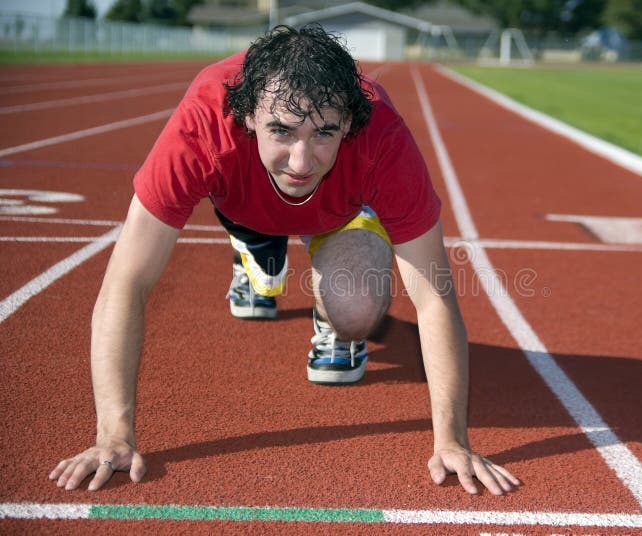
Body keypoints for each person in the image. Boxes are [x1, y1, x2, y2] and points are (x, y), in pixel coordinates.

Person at [49, 25, 519, 496]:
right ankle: (256, 241)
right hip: (244, 201)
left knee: (356, 311)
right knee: (260, 212)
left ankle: (324, 304)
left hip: (339, 212)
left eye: (324, 134)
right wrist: (113, 435)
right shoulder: (202, 126)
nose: (300, 161)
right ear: (248, 115)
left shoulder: (383, 139)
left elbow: (434, 298)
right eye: (282, 131)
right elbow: (126, 282)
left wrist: (452, 440)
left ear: (350, 125)